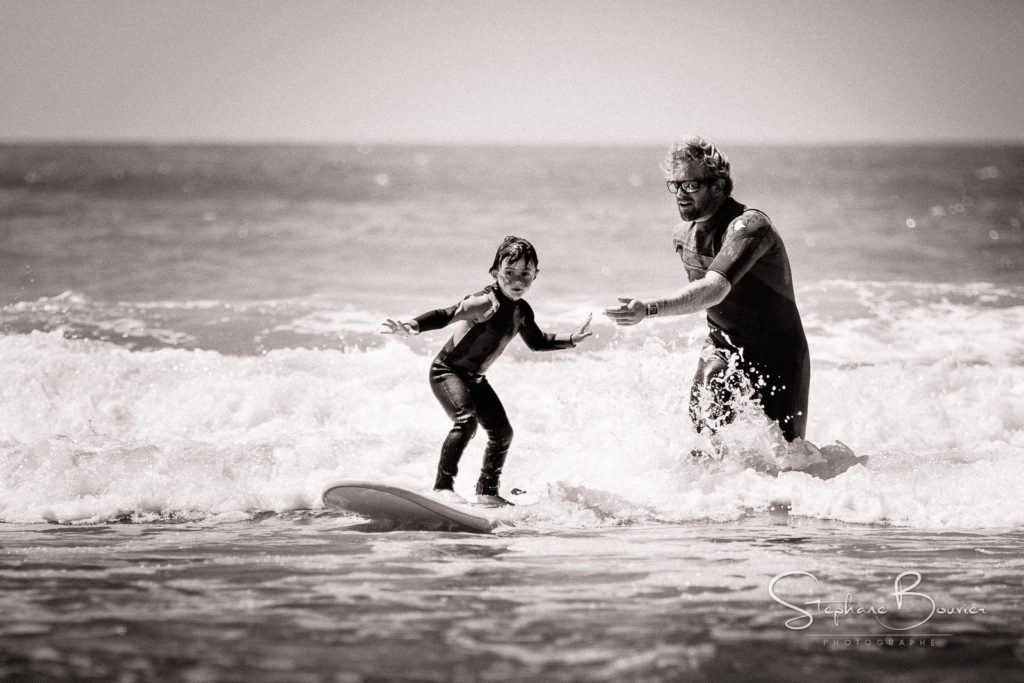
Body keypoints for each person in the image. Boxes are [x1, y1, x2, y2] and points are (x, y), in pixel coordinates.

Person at [604, 135, 810, 444]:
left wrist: (649, 309)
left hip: (777, 356)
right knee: (704, 448)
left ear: (718, 184)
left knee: (788, 459)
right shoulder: (682, 236)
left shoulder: (750, 227)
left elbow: (714, 289)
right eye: (675, 185)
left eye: (690, 185)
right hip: (722, 348)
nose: (681, 194)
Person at [383, 236, 593, 506]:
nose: (517, 280)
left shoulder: (523, 311)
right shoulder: (485, 302)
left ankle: (487, 492)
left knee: (502, 433)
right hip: (447, 372)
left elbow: (538, 342)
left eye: (525, 274)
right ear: (495, 273)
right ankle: (442, 488)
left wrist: (572, 339)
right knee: (466, 421)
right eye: (509, 273)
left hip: (475, 380)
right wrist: (413, 325)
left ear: (535, 275)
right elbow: (446, 314)